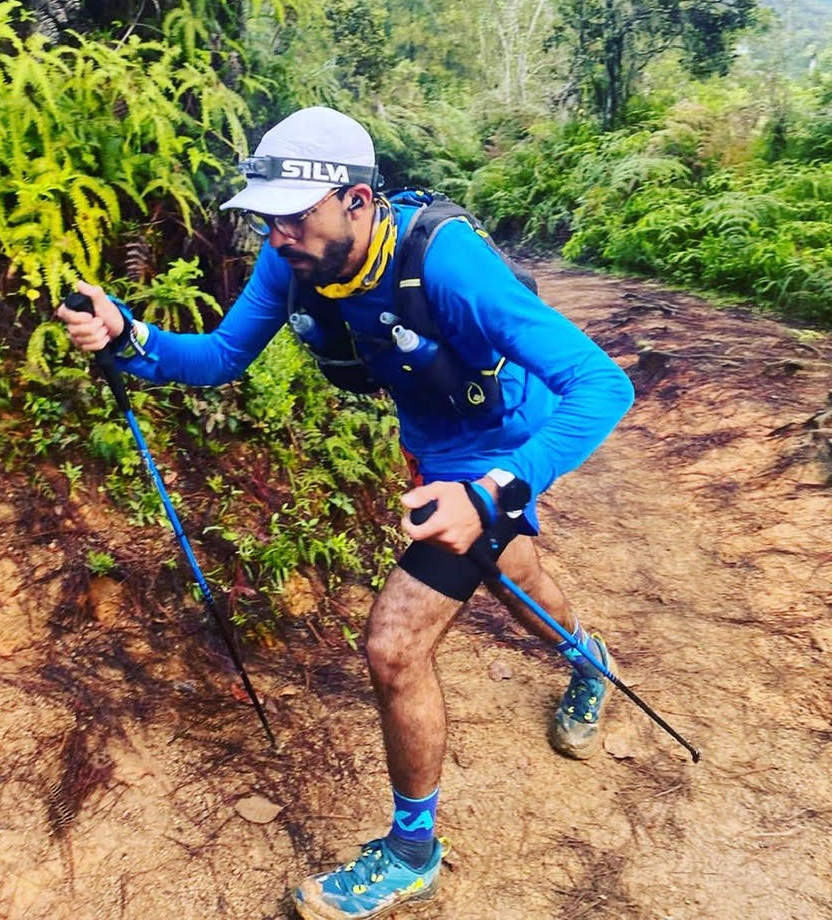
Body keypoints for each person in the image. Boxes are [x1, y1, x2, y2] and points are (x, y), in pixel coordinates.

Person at [57, 106, 634, 920]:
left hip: (502, 451)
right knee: (514, 577)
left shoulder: (452, 267)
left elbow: (604, 385)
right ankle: (589, 659)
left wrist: (493, 493)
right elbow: (221, 358)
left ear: (359, 201)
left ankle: (411, 850)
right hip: (435, 447)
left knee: (394, 645)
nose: (278, 233)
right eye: (267, 216)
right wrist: (128, 334)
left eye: (296, 214)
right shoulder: (290, 260)